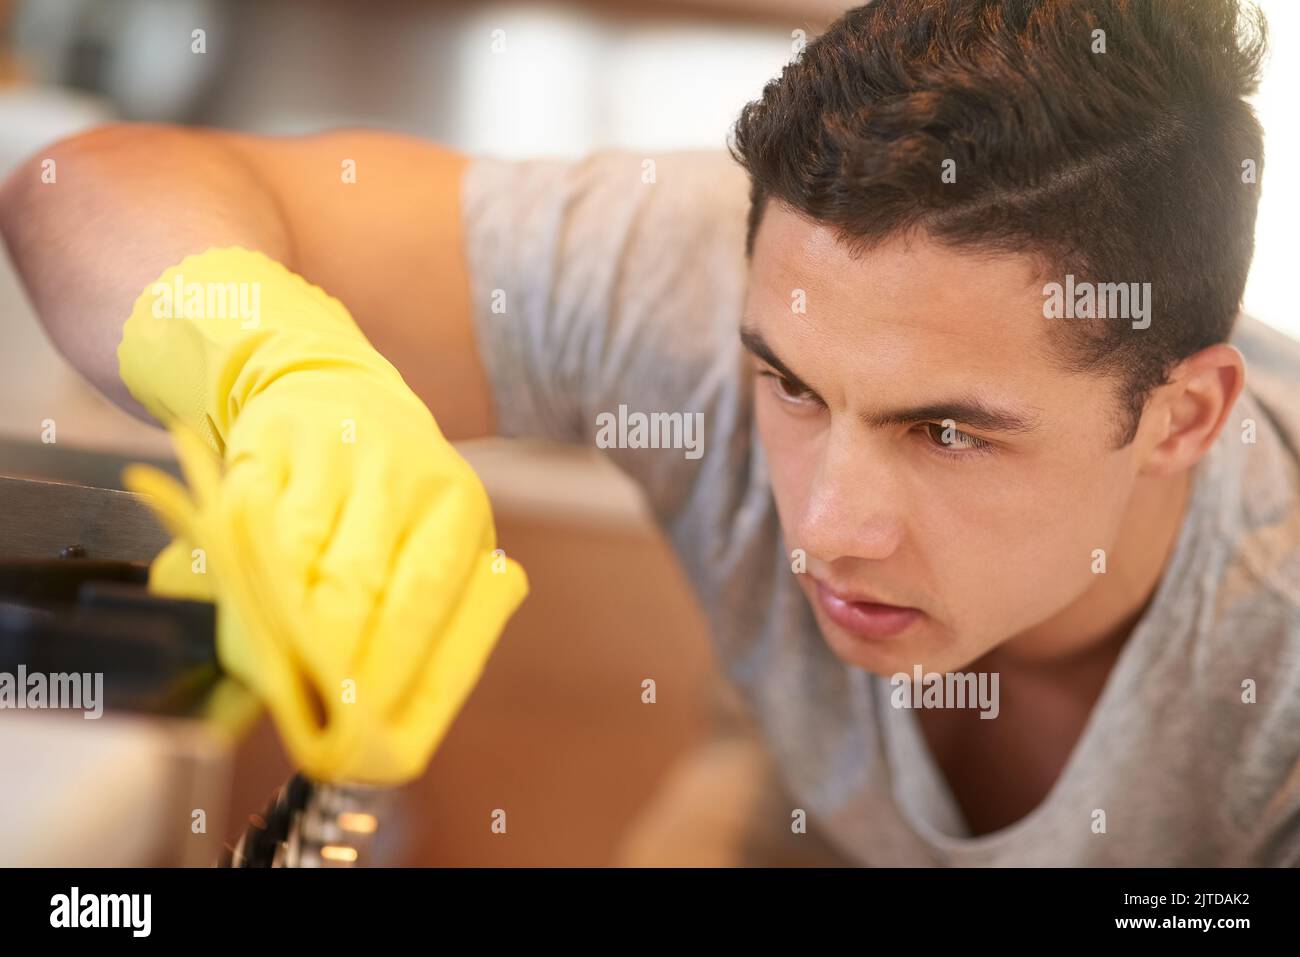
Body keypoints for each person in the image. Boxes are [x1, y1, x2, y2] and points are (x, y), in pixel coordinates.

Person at [2, 0, 1297, 864]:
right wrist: (275, 370)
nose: (826, 527)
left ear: (1183, 415)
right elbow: (82, 186)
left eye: (949, 432)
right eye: (788, 387)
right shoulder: (687, 269)